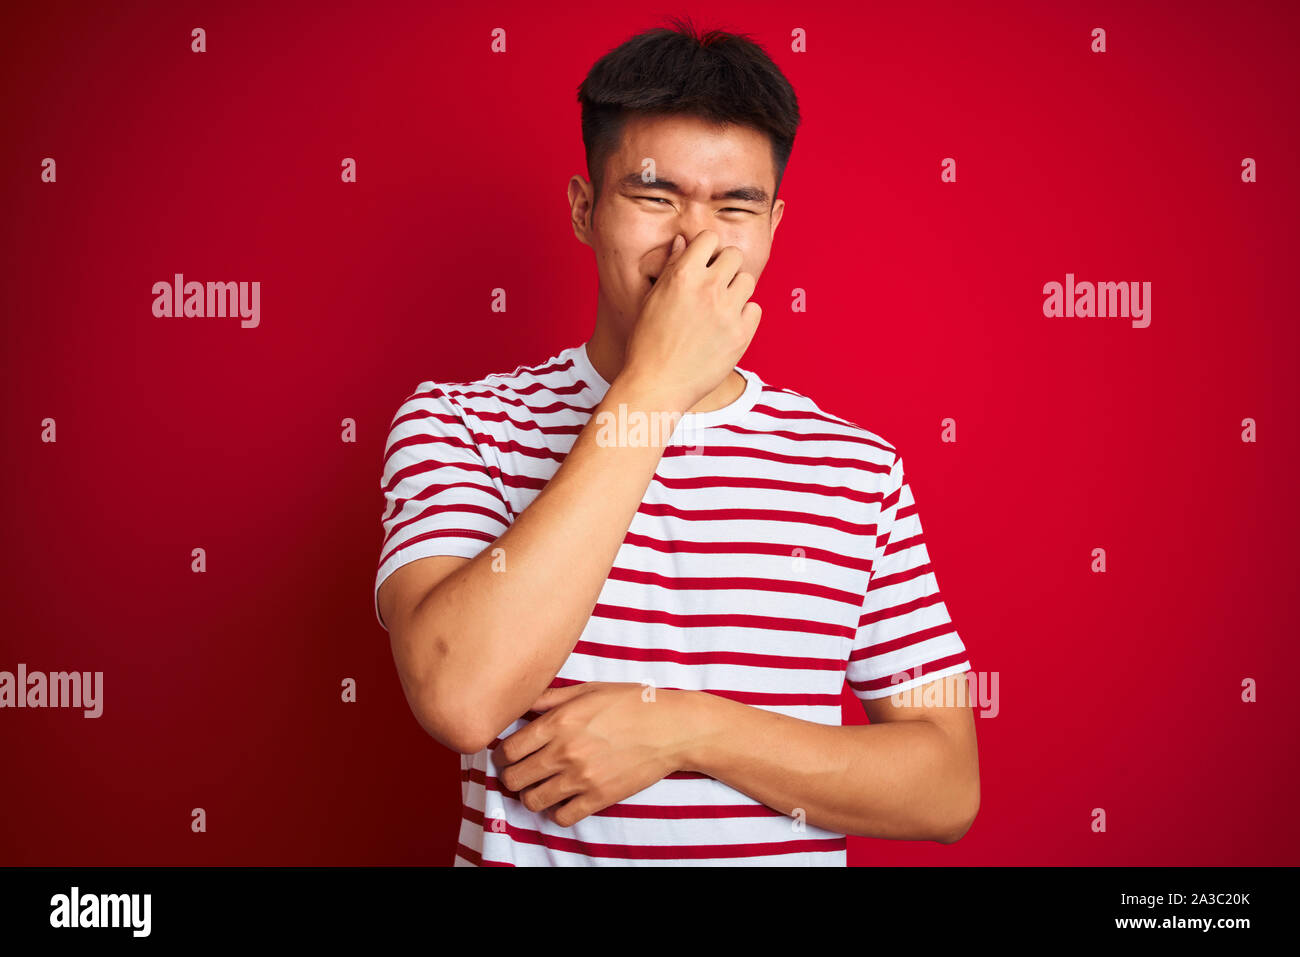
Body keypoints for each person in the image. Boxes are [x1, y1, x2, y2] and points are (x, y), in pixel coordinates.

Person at [374, 16, 979, 866]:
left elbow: (948, 784)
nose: (695, 241)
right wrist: (654, 387)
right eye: (654, 197)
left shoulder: (859, 468)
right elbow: (459, 696)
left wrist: (681, 726)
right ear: (585, 210)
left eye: (735, 206)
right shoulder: (459, 425)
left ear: (773, 226)